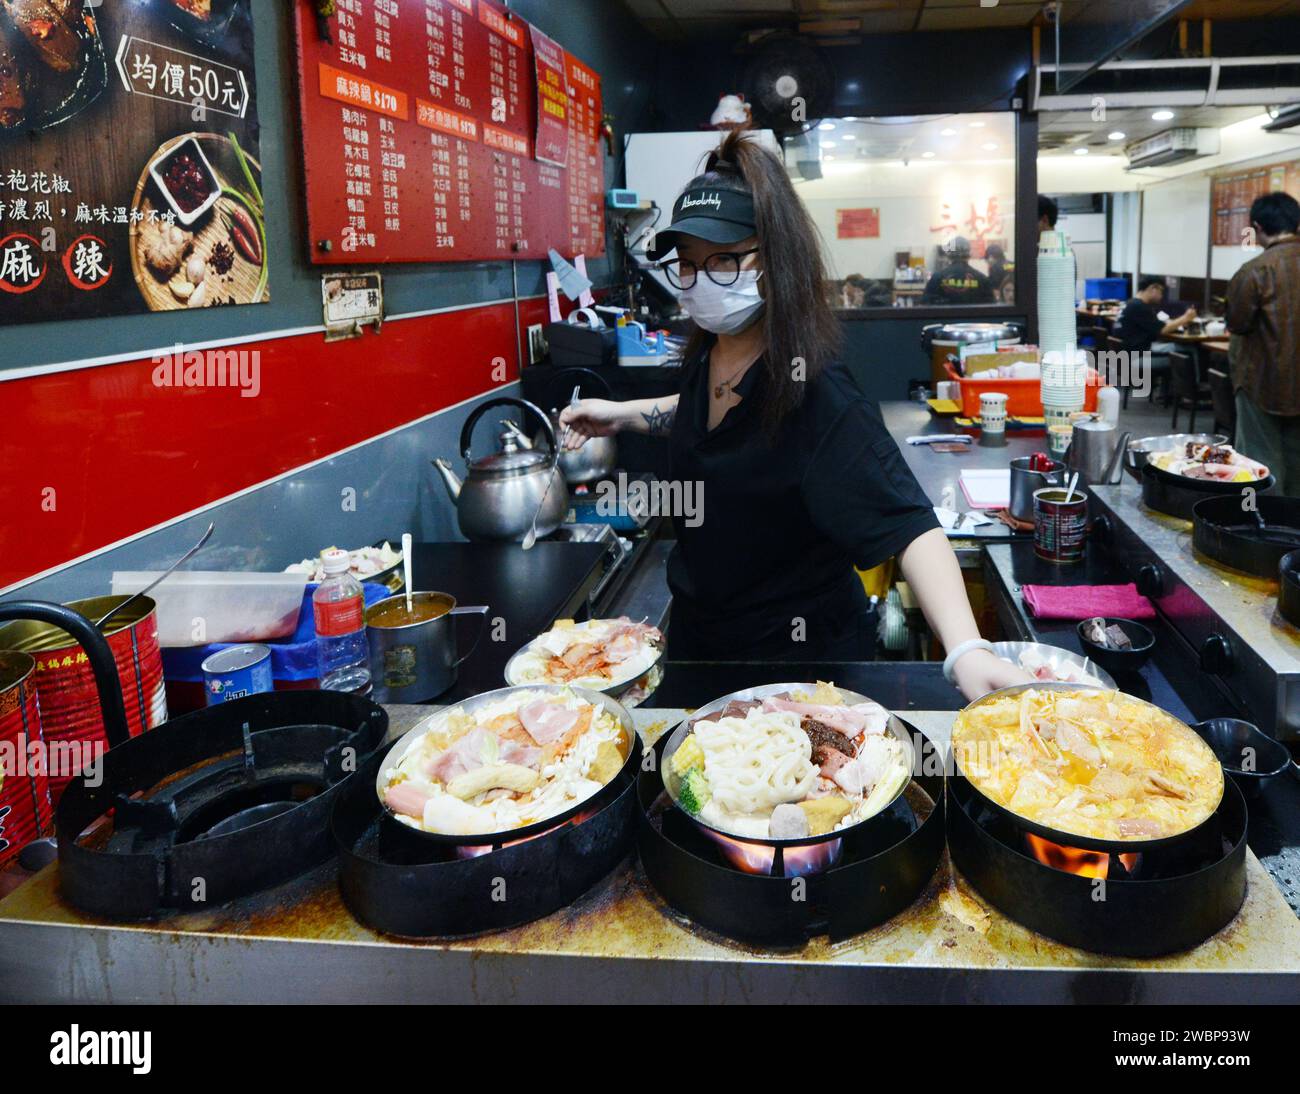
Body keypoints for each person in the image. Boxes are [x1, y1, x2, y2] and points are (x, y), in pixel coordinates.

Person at [559, 130, 1028, 702]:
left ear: (774, 263)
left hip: (800, 669)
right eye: (688, 264)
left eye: (726, 260)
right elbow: (718, 418)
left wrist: (965, 649)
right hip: (698, 643)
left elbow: (908, 522)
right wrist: (624, 414)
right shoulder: (709, 350)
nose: (703, 279)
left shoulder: (816, 389)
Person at [1225, 191, 1300, 493]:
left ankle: (1261, 527)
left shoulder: (1254, 271)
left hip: (1260, 381)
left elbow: (1237, 323)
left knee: (1259, 459)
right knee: (1297, 459)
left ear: (1257, 226)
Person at [1114, 275, 1195, 400]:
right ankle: (1192, 393)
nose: (1162, 296)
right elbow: (1162, 329)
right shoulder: (1139, 307)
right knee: (1187, 351)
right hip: (1137, 358)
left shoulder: (1130, 304)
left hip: (1129, 354)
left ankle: (1167, 393)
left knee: (1176, 349)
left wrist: (1176, 322)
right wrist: (1185, 318)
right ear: (1153, 289)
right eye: (1161, 291)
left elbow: (1156, 325)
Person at [922, 236, 995, 305]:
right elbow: (991, 306)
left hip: (945, 318)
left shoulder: (937, 278)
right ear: (969, 255)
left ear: (948, 255)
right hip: (974, 318)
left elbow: (925, 303)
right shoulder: (982, 279)